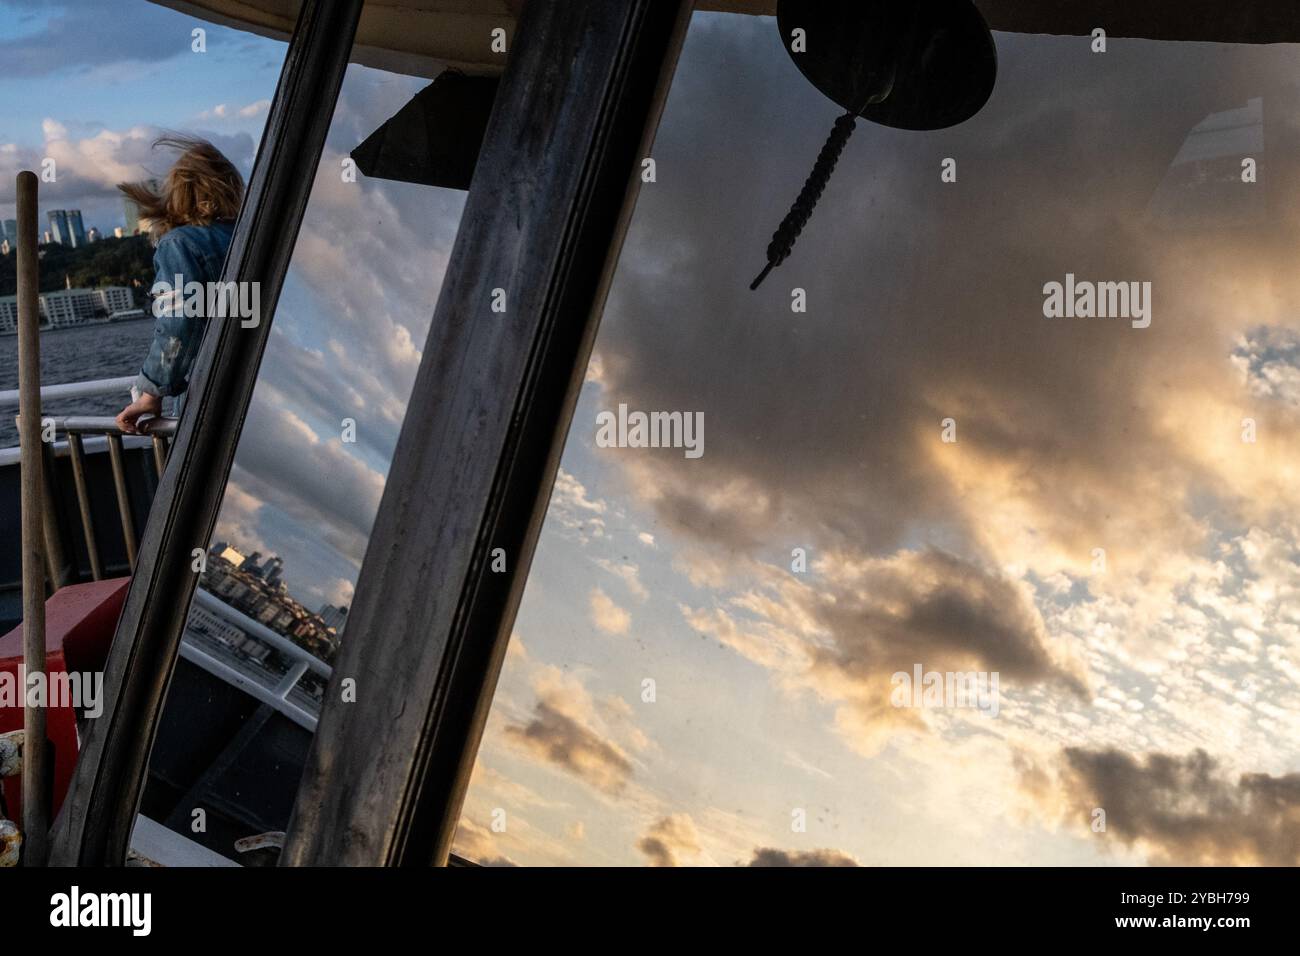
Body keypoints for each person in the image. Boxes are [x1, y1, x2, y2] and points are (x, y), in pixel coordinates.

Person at [115, 136, 243, 435]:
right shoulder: (251, 232)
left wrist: (150, 394)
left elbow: (178, 324)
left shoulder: (180, 244)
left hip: (213, 388)